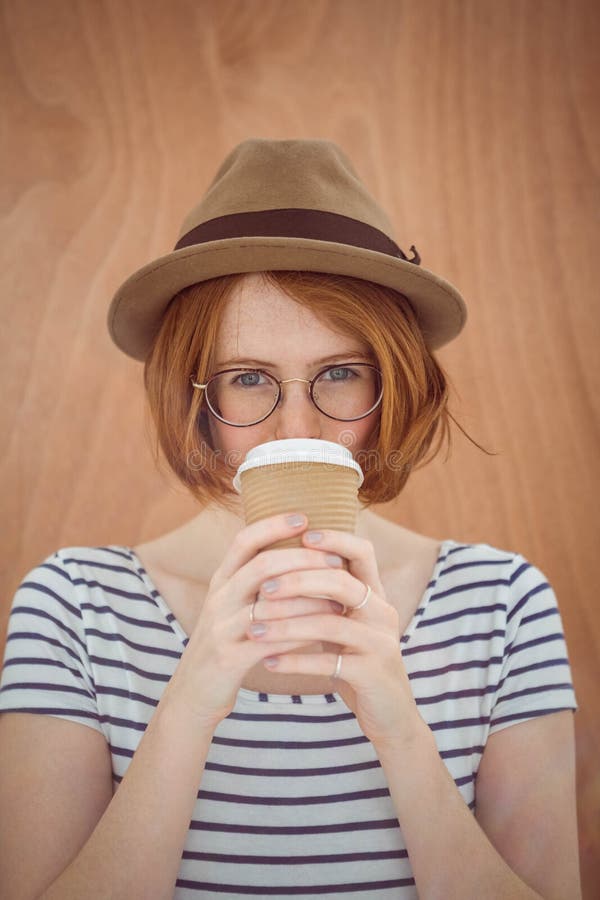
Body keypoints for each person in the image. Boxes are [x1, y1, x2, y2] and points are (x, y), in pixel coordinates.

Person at [0, 139, 580, 900]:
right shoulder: (75, 605)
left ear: (394, 387)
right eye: (249, 379)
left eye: (340, 373)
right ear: (193, 400)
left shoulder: (502, 604)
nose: (296, 427)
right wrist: (191, 700)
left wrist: (399, 727)